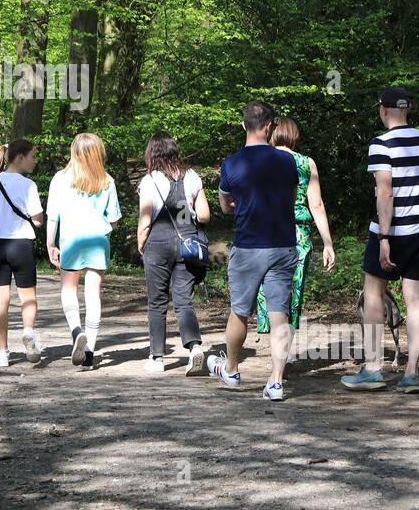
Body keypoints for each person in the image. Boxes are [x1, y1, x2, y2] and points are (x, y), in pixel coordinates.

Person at [342, 87, 419, 394]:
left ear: (383, 109)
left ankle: (372, 369)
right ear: (408, 109)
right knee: (414, 298)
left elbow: (386, 192)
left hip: (392, 231)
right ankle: (410, 374)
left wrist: (384, 238)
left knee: (372, 293)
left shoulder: (380, 144)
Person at [206, 101, 298, 400]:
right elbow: (291, 198)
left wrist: (243, 203)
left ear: (244, 124)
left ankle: (231, 370)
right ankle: (275, 382)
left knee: (239, 311)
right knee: (279, 315)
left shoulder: (231, 163)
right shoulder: (287, 162)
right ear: (270, 126)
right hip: (283, 245)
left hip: (247, 247)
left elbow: (224, 206)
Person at [253, 117, 336, 336]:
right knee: (292, 290)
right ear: (294, 135)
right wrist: (327, 243)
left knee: (267, 287)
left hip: (265, 234)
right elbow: (316, 205)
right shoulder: (306, 162)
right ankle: (284, 351)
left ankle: (272, 335)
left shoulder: (261, 159)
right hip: (299, 235)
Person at [136, 131, 210, 375]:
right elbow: (205, 216)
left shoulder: (150, 180)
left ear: (151, 154)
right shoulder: (192, 177)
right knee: (183, 300)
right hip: (187, 242)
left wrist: (141, 243)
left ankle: (157, 358)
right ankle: (195, 347)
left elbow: (145, 219)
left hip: (157, 243)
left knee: (157, 301)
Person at [46, 133, 121, 369]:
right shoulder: (106, 180)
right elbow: (114, 220)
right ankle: (89, 352)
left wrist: (50, 244)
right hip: (98, 241)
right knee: (93, 294)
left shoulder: (60, 178)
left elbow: (52, 216)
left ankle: (76, 330)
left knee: (69, 289)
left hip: (71, 240)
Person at [0, 140, 45, 368]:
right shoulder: (28, 185)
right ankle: (28, 332)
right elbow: (38, 221)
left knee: (1, 300)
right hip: (21, 244)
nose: (35, 161)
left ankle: (2, 352)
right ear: (20, 157)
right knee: (27, 297)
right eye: (33, 156)